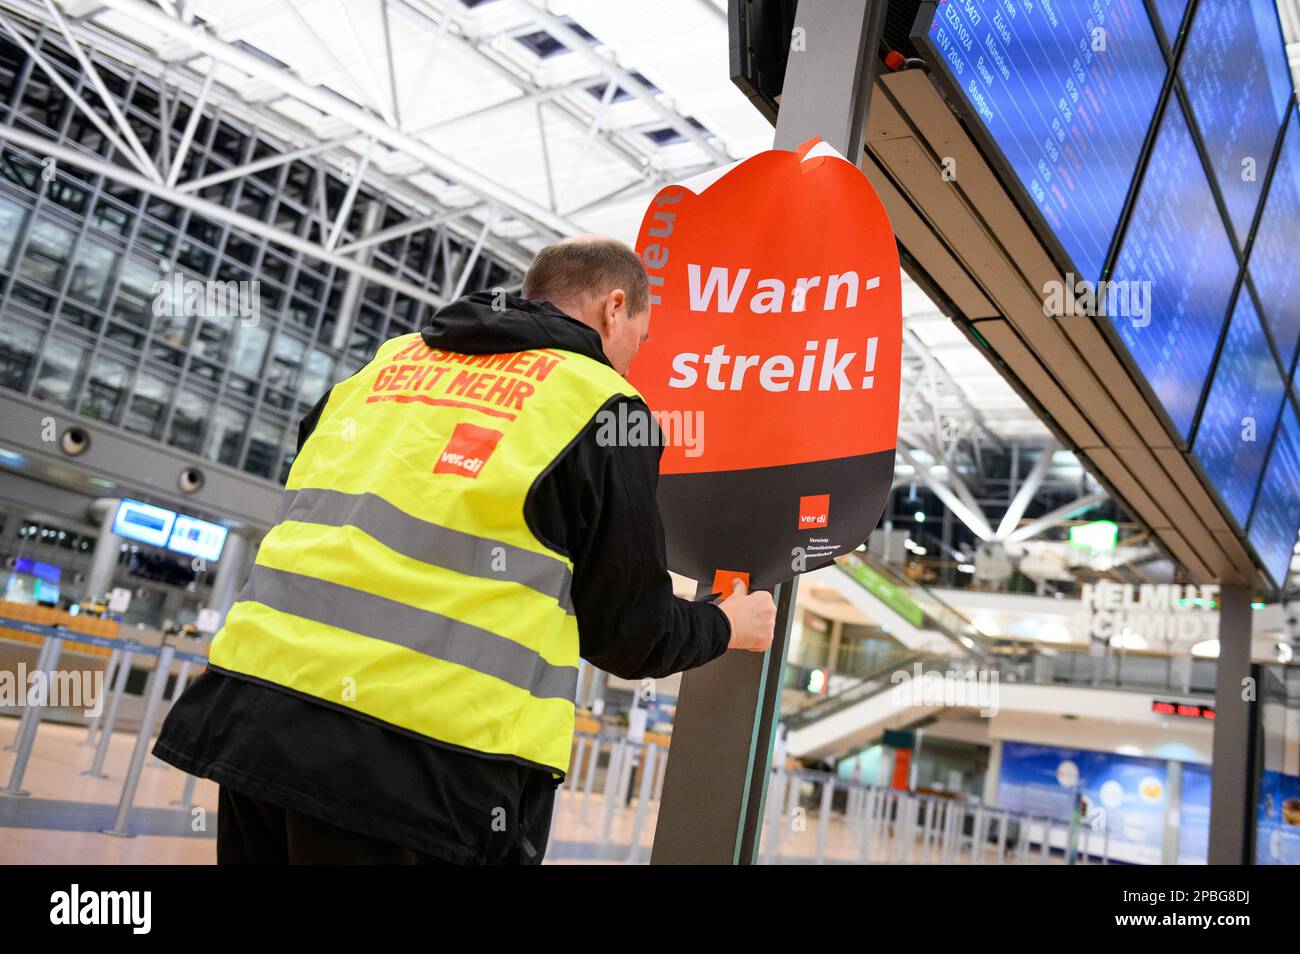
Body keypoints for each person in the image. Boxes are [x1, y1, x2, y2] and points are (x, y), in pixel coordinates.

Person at [153, 235, 777, 864]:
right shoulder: (605, 406)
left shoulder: (387, 364)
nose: (631, 364)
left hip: (256, 717)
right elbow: (629, 633)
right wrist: (725, 624)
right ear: (615, 308)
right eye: (639, 342)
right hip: (418, 762)